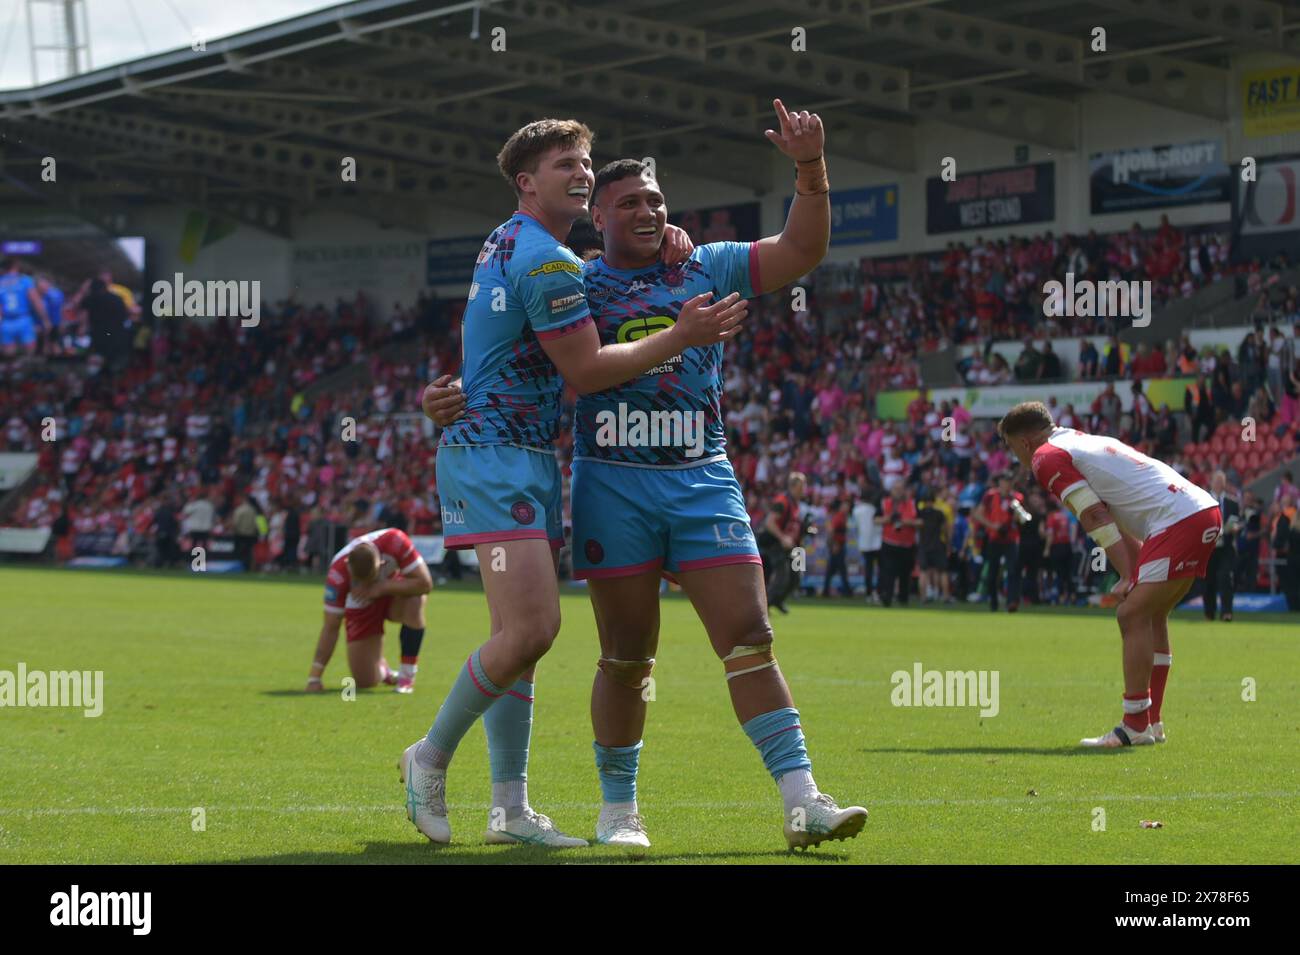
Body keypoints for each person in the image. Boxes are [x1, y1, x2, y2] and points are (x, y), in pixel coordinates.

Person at [402, 117, 738, 849]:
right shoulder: (548, 262)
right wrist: (680, 335)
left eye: (586, 163)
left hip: (516, 455)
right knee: (533, 630)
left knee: (513, 639)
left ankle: (509, 807)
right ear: (527, 182)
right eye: (564, 165)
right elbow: (585, 371)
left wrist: (666, 239)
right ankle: (427, 757)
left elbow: (502, 339)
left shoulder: (513, 242)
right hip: (497, 455)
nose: (582, 173)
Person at [1000, 401, 1221, 747]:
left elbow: (1094, 518)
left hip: (1178, 520)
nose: (1019, 460)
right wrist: (1131, 572)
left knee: (1130, 614)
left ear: (1025, 443)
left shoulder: (1046, 456)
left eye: (1014, 450)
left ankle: (1134, 724)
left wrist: (1126, 573)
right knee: (1151, 614)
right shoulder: (1079, 439)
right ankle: (1152, 722)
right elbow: (1112, 515)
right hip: (1201, 510)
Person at [306, 527, 432, 694]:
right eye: (359, 581)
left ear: (382, 564)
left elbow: (425, 583)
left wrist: (382, 587)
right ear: (347, 566)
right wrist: (315, 678)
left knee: (415, 600)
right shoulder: (337, 573)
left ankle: (406, 676)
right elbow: (331, 626)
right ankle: (383, 670)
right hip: (361, 604)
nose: (364, 585)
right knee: (366, 681)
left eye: (369, 579)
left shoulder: (395, 541)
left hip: (392, 594)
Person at [972, 472, 1025, 613]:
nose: (1006, 484)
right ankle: (993, 602)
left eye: (1008, 481)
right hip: (994, 538)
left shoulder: (1016, 498)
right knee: (992, 573)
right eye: (1004, 481)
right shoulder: (990, 496)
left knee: (1013, 570)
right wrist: (992, 525)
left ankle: (1012, 602)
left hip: (1011, 538)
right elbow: (978, 514)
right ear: (1000, 482)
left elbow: (1021, 518)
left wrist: (1017, 517)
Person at [761, 472, 809, 615]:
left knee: (797, 574)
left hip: (790, 544)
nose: (804, 489)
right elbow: (769, 522)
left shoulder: (796, 504)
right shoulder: (783, 501)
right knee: (782, 575)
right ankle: (765, 606)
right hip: (774, 542)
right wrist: (782, 538)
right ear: (793, 487)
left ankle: (778, 600)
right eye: (801, 486)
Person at [875, 480, 920, 607]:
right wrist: (888, 519)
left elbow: (921, 521)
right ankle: (887, 597)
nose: (898, 492)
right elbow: (876, 519)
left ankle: (903, 598)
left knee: (905, 573)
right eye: (896, 489)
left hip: (907, 545)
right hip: (889, 543)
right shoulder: (885, 503)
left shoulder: (912, 503)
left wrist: (907, 522)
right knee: (888, 571)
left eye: (900, 489)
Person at [1202, 470, 1239, 622]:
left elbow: (1236, 520)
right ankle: (1209, 613)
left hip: (1226, 548)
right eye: (1216, 481)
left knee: (1225, 579)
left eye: (1221, 481)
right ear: (1211, 482)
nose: (1218, 484)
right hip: (1209, 548)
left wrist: (1235, 527)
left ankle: (1226, 613)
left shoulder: (1232, 502)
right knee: (1208, 581)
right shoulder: (1203, 500)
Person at [0, 259, 50, 357]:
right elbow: (36, 301)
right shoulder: (24, 280)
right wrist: (45, 320)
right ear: (15, 267)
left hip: (6, 323)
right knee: (29, 356)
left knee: (9, 357)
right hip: (24, 321)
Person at [853, 491, 882, 603]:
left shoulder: (857, 510)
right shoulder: (875, 509)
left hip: (864, 543)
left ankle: (869, 593)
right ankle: (878, 592)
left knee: (869, 570)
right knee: (880, 570)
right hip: (877, 543)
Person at [821, 498, 852, 598]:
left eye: (847, 506)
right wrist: (834, 544)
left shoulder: (843, 516)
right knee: (840, 569)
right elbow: (831, 530)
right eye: (845, 506)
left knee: (832, 570)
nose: (847, 508)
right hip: (837, 546)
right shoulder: (839, 517)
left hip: (839, 545)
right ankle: (846, 591)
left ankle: (826, 591)